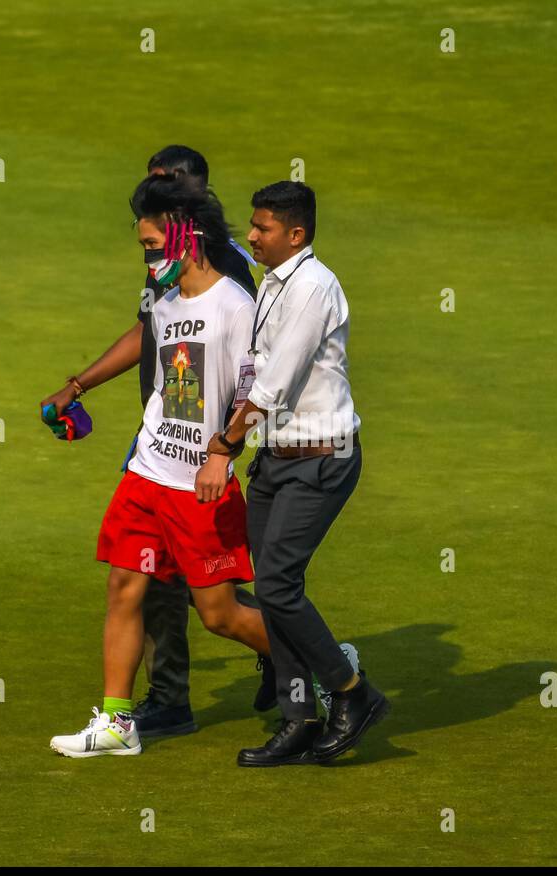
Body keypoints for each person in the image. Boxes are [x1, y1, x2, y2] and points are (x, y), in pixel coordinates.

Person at [47, 176, 271, 757]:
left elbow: (258, 393)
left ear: (186, 237)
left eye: (153, 248)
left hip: (200, 486)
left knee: (219, 615)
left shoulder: (236, 307)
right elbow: (177, 391)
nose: (149, 263)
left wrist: (224, 454)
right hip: (148, 472)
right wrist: (80, 389)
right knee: (124, 587)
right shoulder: (167, 305)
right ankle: (118, 721)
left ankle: (317, 659)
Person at [203, 181, 389, 766]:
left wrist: (222, 448)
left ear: (296, 234)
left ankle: (353, 692)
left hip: (320, 458)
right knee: (273, 589)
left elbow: (274, 383)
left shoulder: (311, 286)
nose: (251, 236)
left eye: (261, 228)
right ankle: (296, 721)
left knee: (279, 584)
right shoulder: (274, 284)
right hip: (279, 459)